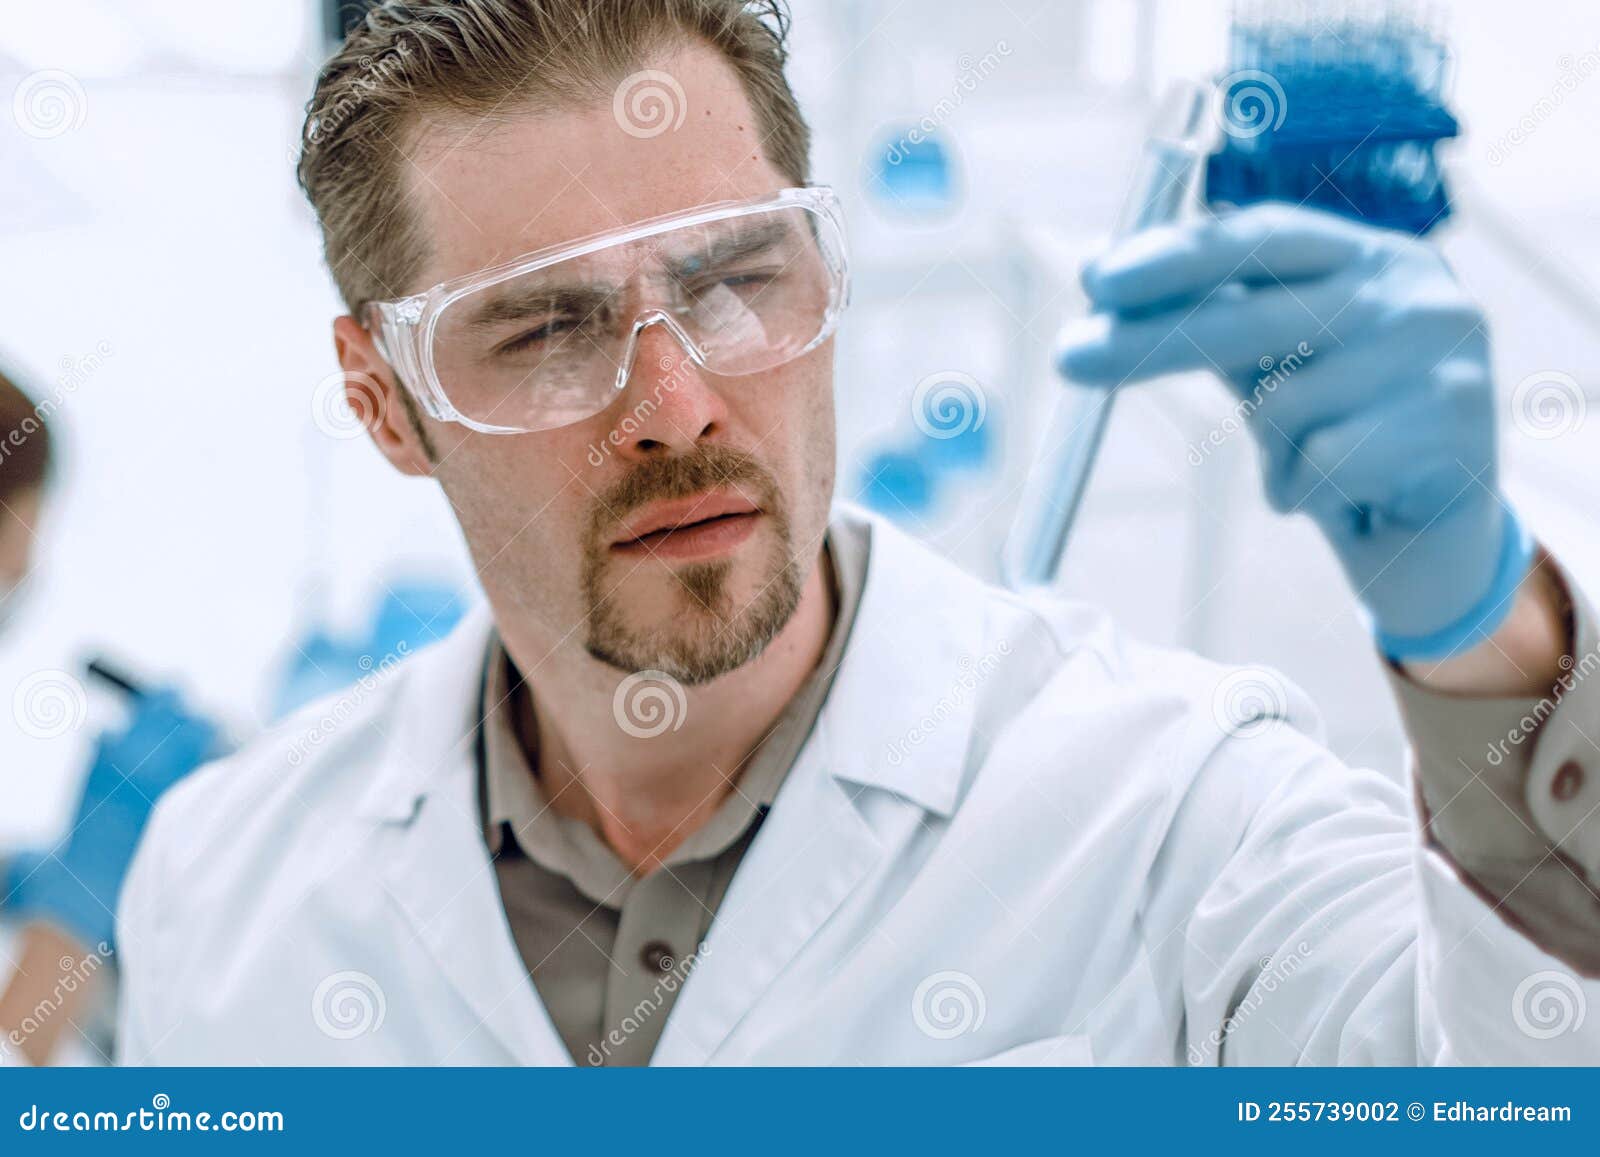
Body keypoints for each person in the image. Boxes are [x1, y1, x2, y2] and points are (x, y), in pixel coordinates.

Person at [115, 0, 1597, 1065]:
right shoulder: (223, 892)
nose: (676, 406)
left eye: (735, 279)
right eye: (549, 328)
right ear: (384, 401)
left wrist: (1486, 639)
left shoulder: (1174, 815)